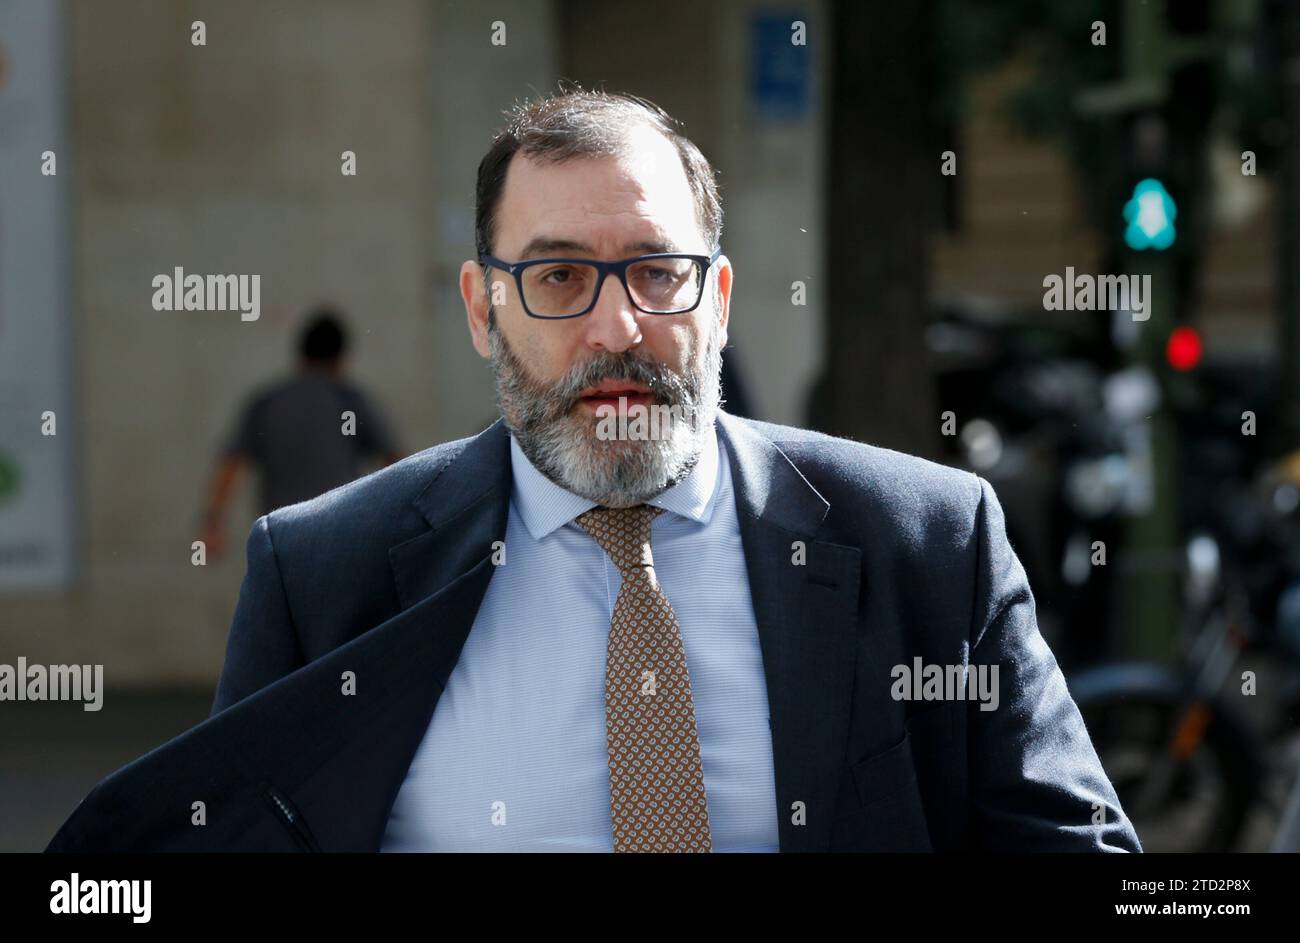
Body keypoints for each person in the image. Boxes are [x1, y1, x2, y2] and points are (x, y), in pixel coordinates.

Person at [47, 88, 1139, 853]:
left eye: (656, 272)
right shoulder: (324, 574)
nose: (617, 325)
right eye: (559, 276)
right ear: (484, 310)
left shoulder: (928, 545)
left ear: (714, 299)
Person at [198, 310, 402, 561]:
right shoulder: (350, 401)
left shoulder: (267, 402)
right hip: (340, 538)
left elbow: (231, 464)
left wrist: (213, 524)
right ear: (341, 359)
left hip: (279, 540)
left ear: (301, 355)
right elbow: (395, 464)